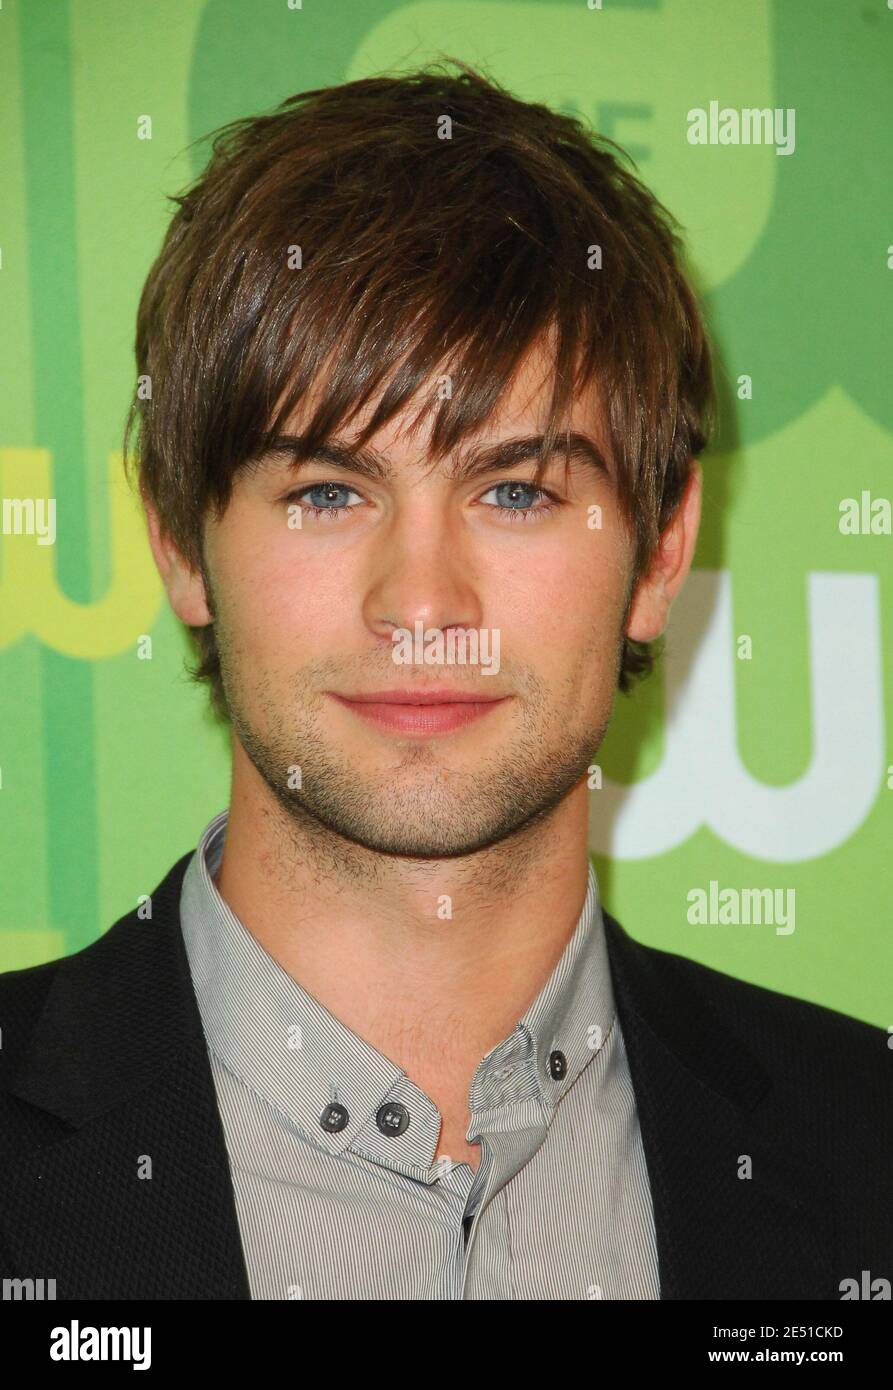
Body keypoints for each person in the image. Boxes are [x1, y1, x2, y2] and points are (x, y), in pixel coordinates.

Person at [1, 62, 889, 1302]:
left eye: (515, 490)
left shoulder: (865, 1154)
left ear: (660, 552)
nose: (420, 604)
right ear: (178, 544)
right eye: (326, 492)